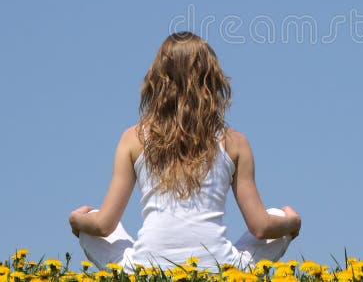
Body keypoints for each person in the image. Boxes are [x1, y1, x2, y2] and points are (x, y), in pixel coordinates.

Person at [68, 32, 301, 273]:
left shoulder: (132, 138)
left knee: (92, 217)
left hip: (144, 269)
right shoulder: (236, 142)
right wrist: (292, 222)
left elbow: (104, 225)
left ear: (157, 79)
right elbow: (261, 227)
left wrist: (77, 220)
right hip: (220, 269)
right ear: (212, 81)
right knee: (276, 215)